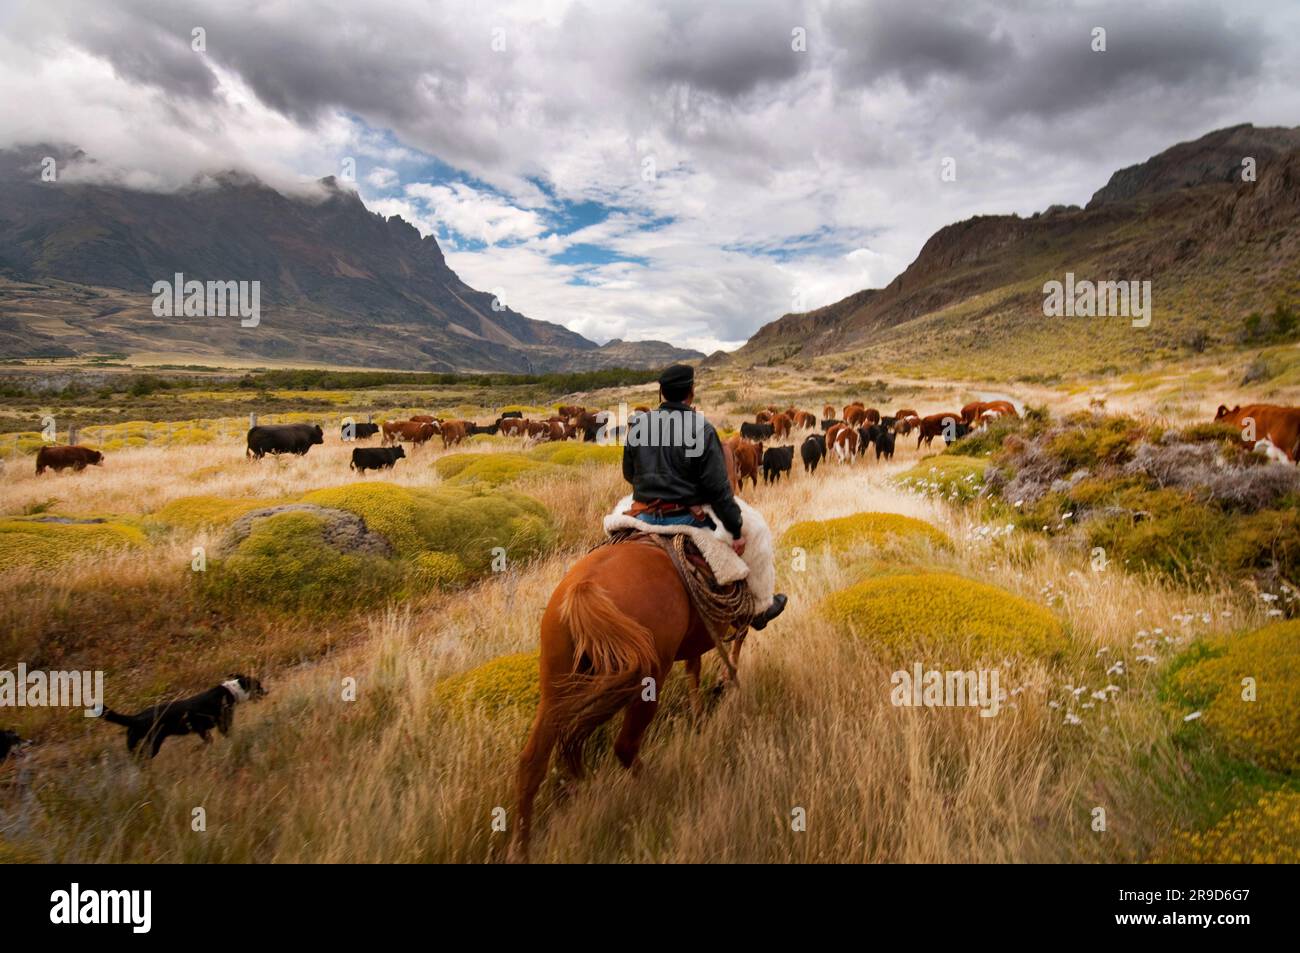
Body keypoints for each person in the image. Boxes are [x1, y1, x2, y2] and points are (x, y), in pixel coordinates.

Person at [620, 363, 787, 630]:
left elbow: (629, 474)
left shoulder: (639, 425)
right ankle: (760, 607)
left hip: (643, 512)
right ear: (691, 392)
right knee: (757, 529)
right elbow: (718, 491)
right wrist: (735, 531)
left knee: (616, 515)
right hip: (685, 516)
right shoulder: (701, 429)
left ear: (661, 393)